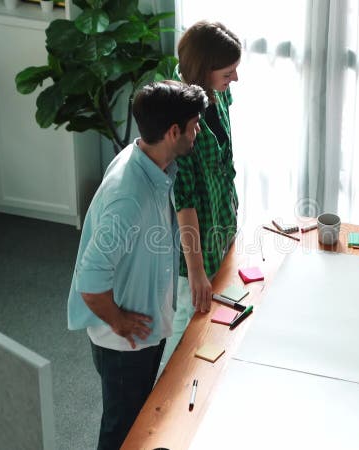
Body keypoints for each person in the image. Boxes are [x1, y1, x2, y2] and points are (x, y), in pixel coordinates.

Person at [66, 81, 207, 450]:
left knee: (136, 415)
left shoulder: (150, 162)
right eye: (194, 125)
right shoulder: (128, 197)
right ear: (173, 131)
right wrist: (119, 320)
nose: (198, 131)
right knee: (121, 428)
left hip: (143, 332)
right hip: (124, 343)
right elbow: (90, 280)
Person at [159, 21, 243, 371]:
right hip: (195, 245)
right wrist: (195, 271)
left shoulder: (217, 93)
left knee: (215, 320)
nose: (235, 79)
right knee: (185, 329)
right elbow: (185, 200)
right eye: (229, 72)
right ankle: (160, 407)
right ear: (204, 70)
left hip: (222, 222)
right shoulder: (179, 119)